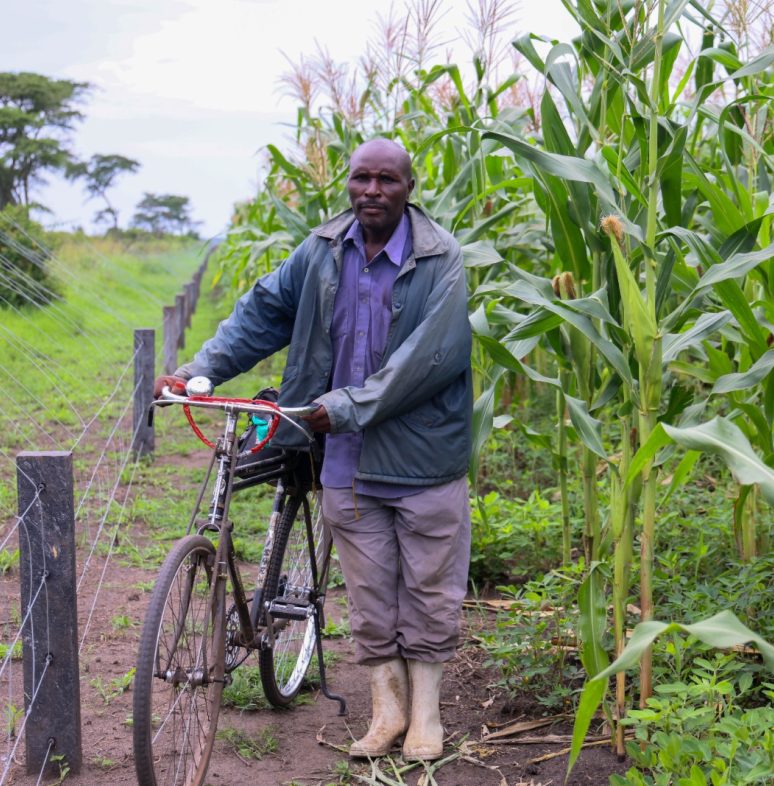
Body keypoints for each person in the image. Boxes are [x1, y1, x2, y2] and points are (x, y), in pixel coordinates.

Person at [154, 138, 472, 761]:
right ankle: (387, 713)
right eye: (361, 179)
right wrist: (202, 370)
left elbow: (425, 363)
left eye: (386, 180)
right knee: (370, 590)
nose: (371, 191)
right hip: (344, 458)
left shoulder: (442, 260)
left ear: (410, 187)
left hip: (422, 460)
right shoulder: (322, 253)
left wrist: (342, 408)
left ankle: (427, 718)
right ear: (348, 185)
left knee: (430, 589)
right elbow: (263, 313)